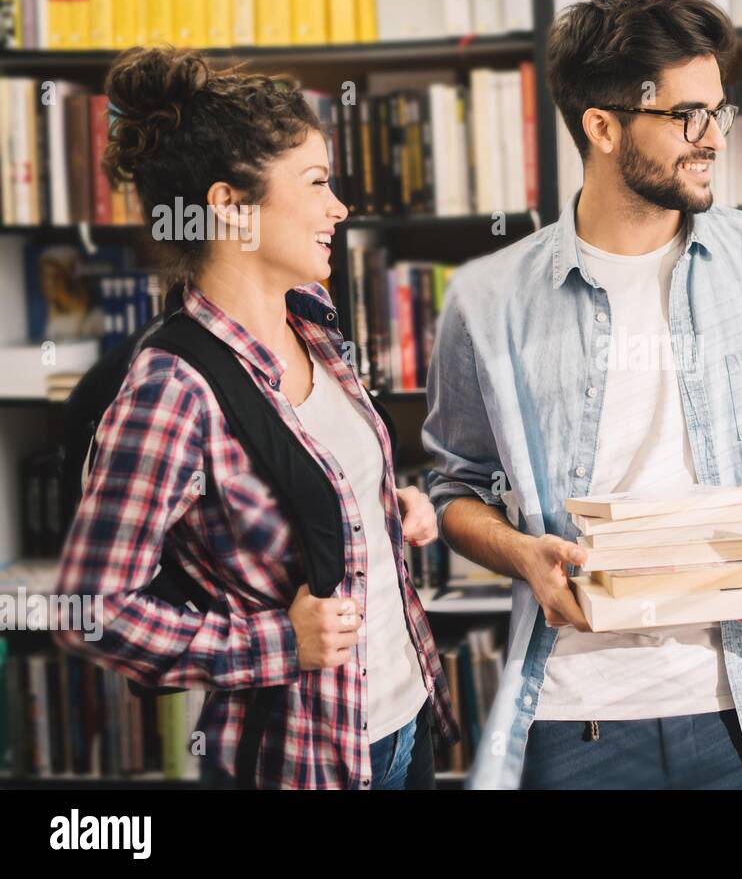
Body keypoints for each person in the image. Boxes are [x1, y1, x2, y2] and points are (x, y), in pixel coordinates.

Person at [422, 0, 742, 790]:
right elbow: (454, 486)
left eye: (718, 114)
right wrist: (522, 553)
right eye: (686, 116)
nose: (711, 141)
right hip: (575, 721)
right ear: (602, 125)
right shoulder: (488, 299)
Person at [55, 46, 458, 789]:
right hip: (305, 760)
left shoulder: (312, 316)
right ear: (231, 207)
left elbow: (305, 491)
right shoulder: (172, 387)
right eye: (315, 182)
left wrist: (381, 509)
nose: (338, 206)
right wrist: (279, 641)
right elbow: (91, 608)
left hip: (405, 724)